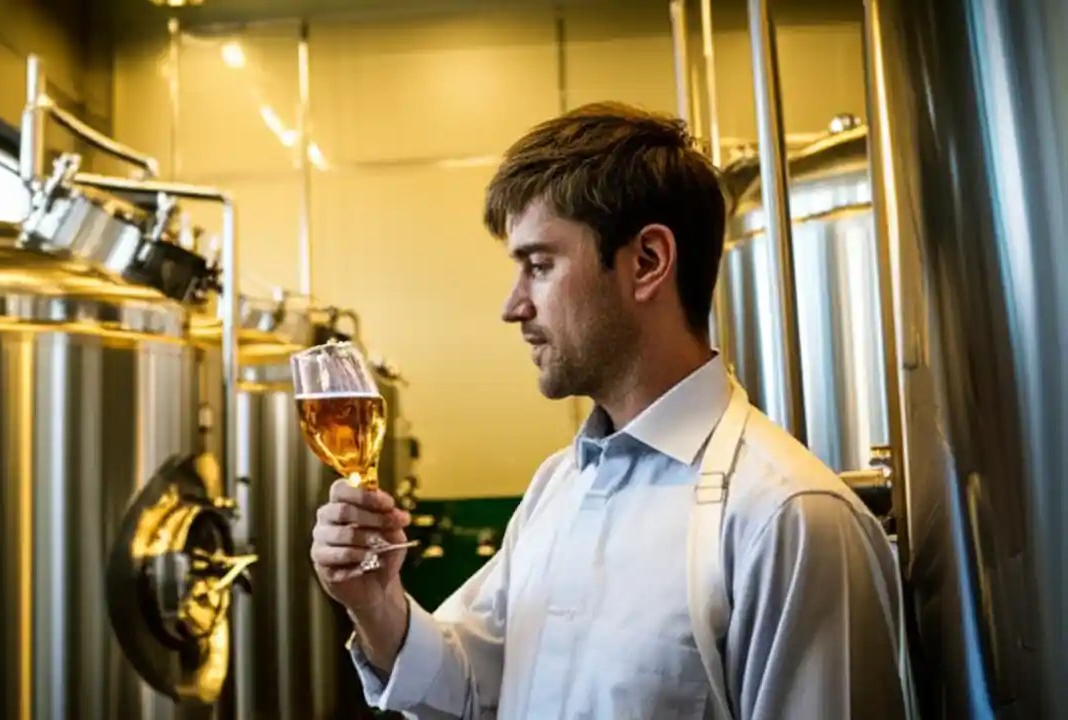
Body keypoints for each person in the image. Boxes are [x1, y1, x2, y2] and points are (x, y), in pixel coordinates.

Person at [310, 102, 907, 719]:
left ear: (647, 262)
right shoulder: (561, 486)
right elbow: (472, 691)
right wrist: (376, 604)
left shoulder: (785, 518)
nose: (513, 306)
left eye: (539, 266)